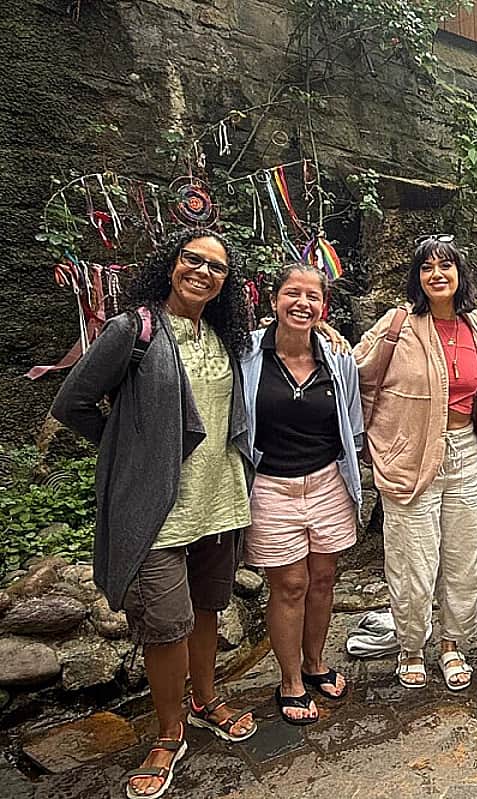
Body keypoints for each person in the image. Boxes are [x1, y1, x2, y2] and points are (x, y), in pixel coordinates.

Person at [52, 229, 258, 799]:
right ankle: (170, 731)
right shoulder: (132, 330)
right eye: (193, 259)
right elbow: (71, 402)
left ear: (226, 283)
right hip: (159, 509)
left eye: (216, 267)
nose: (202, 272)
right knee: (165, 625)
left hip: (219, 498)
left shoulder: (220, 335)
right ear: (170, 265)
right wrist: (128, 451)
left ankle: (207, 698)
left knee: (209, 608)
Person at [353, 235, 477, 692]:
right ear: (417, 278)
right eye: (427, 268)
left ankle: (452, 642)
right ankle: (411, 645)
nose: (437, 275)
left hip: (465, 452)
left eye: (446, 266)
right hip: (410, 455)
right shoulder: (398, 325)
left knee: (465, 556)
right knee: (412, 558)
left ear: (460, 274)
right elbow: (353, 373)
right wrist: (381, 443)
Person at [240, 263, 363, 724]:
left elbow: (351, 419)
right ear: (274, 299)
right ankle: (290, 679)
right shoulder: (249, 353)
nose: (302, 303)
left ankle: (315, 662)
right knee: (290, 584)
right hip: (271, 483)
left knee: (324, 579)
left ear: (323, 307)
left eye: (313, 297)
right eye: (293, 293)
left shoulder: (337, 357)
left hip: (328, 479)